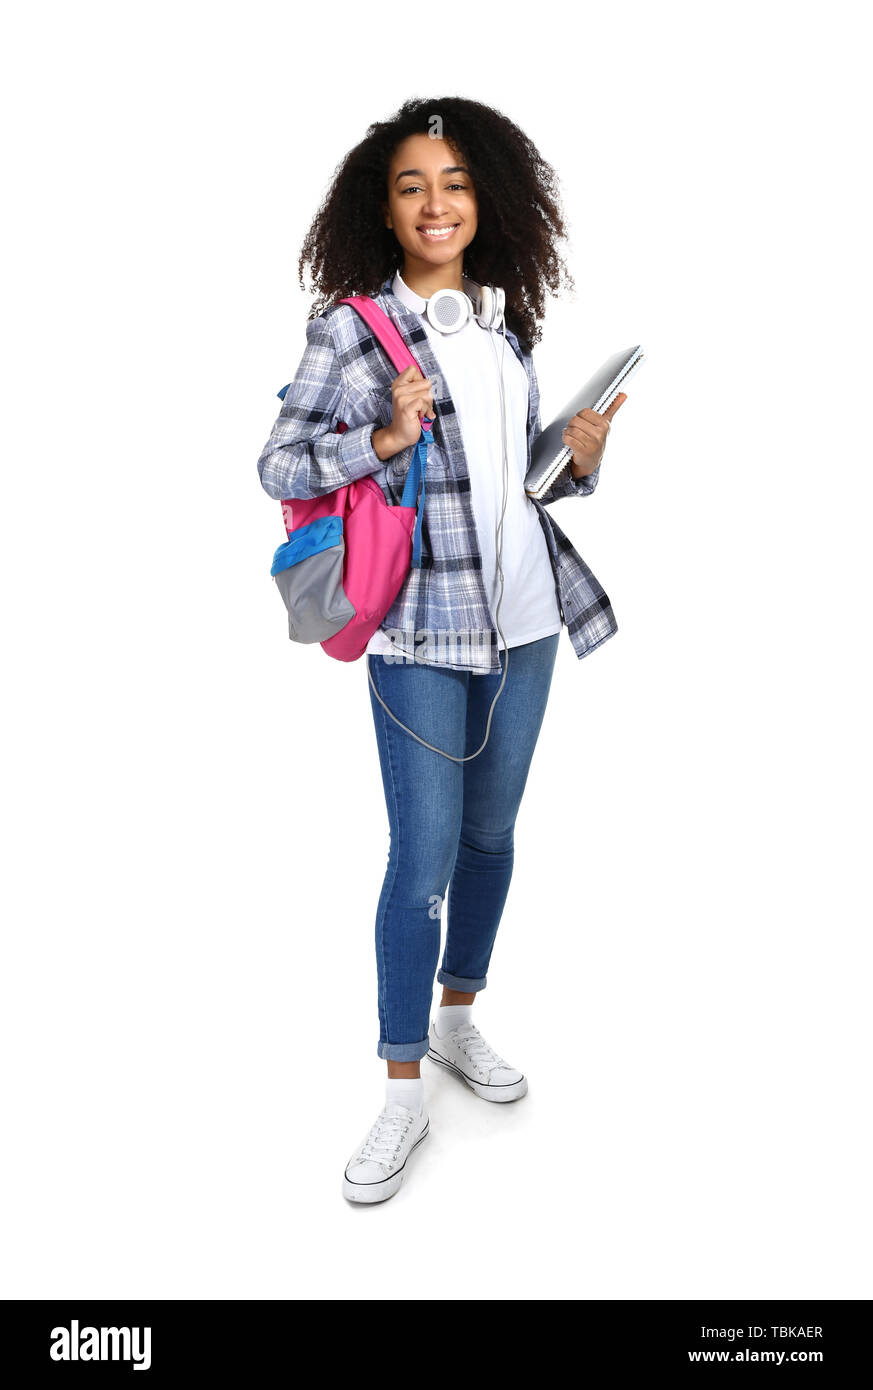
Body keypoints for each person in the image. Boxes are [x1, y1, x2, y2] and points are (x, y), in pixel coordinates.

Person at [257, 96, 627, 1204]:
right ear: (384, 204)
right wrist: (379, 435)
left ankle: (460, 1014)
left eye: (456, 182)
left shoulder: (501, 323)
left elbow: (520, 483)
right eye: (414, 184)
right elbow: (278, 464)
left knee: (491, 837)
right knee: (419, 860)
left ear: (487, 200)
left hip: (524, 621)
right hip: (419, 630)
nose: (436, 202)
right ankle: (401, 1090)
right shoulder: (353, 327)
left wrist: (581, 450)